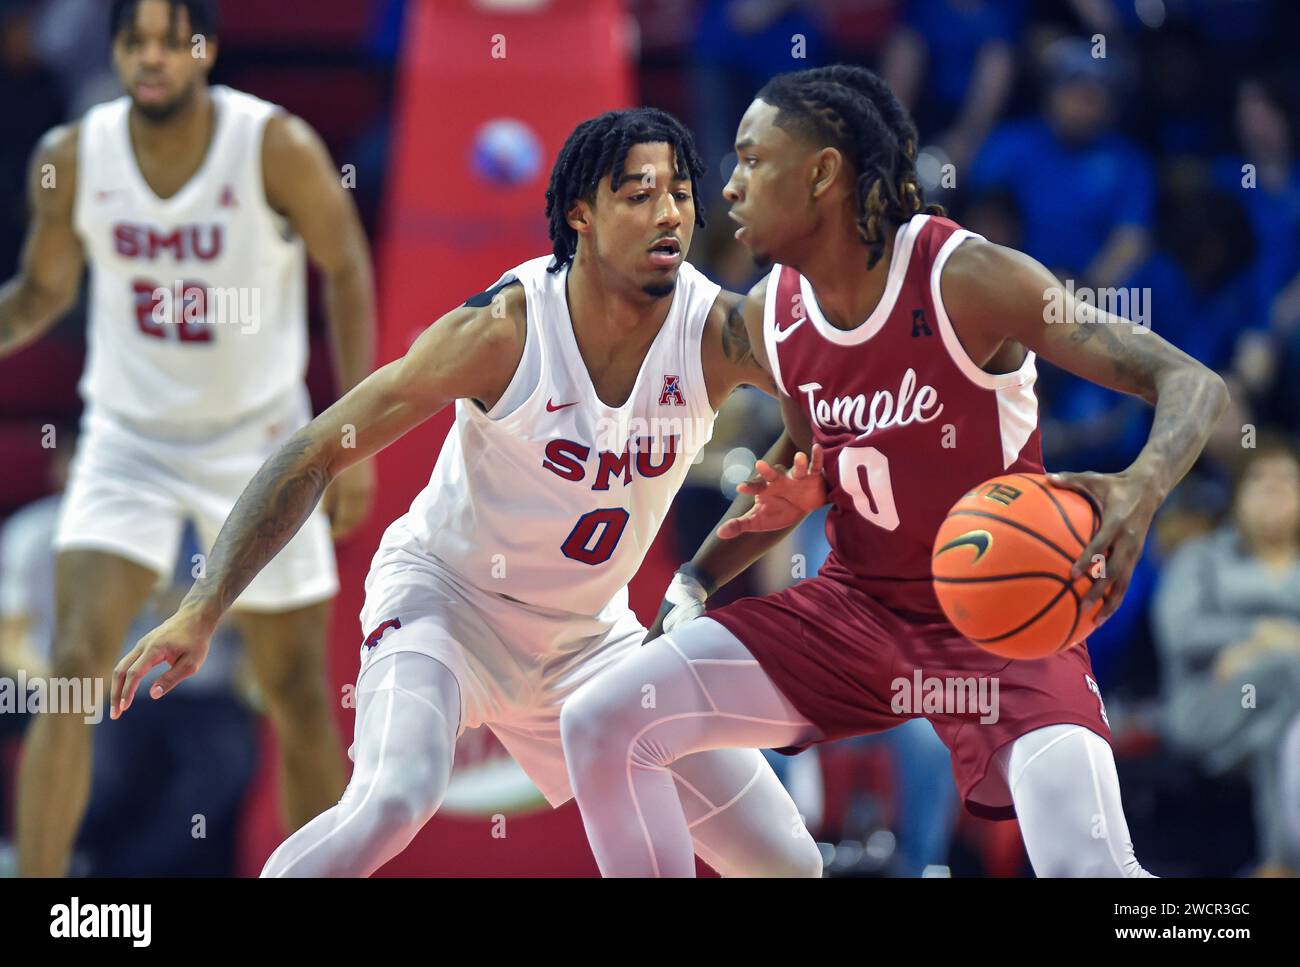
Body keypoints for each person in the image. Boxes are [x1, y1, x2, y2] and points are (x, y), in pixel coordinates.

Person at [112, 107, 823, 878]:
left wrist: (744, 527)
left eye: (682, 194)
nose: (669, 214)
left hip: (586, 638)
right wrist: (204, 604)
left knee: (786, 860)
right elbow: (315, 450)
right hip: (445, 604)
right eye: (639, 194)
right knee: (393, 798)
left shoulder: (718, 330)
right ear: (581, 212)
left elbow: (828, 407)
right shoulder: (504, 331)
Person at [558, 64, 1229, 878]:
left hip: (1003, 617)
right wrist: (694, 585)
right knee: (602, 718)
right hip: (858, 610)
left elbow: (1191, 381)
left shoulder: (967, 278)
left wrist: (1140, 486)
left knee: (1094, 872)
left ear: (822, 174)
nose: (726, 187)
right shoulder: (776, 309)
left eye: (750, 160)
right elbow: (802, 453)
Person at [0, 0, 377, 874]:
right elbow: (42, 293)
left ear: (204, 49)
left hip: (261, 445)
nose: (155, 58)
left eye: (174, 41)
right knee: (74, 668)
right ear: (120, 52)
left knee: (294, 690)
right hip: (128, 438)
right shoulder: (73, 154)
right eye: (138, 42)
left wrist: (353, 435)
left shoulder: (271, 145)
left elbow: (347, 263)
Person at [1153, 436, 1300, 876]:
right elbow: (1179, 632)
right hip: (1210, 702)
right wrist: (1257, 635)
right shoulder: (1203, 557)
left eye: (1287, 480)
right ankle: (1281, 860)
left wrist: (1270, 643)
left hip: (1283, 707)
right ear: (1237, 496)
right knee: (1286, 672)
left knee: (1283, 718)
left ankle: (1277, 858)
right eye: (1260, 479)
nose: (1274, 489)